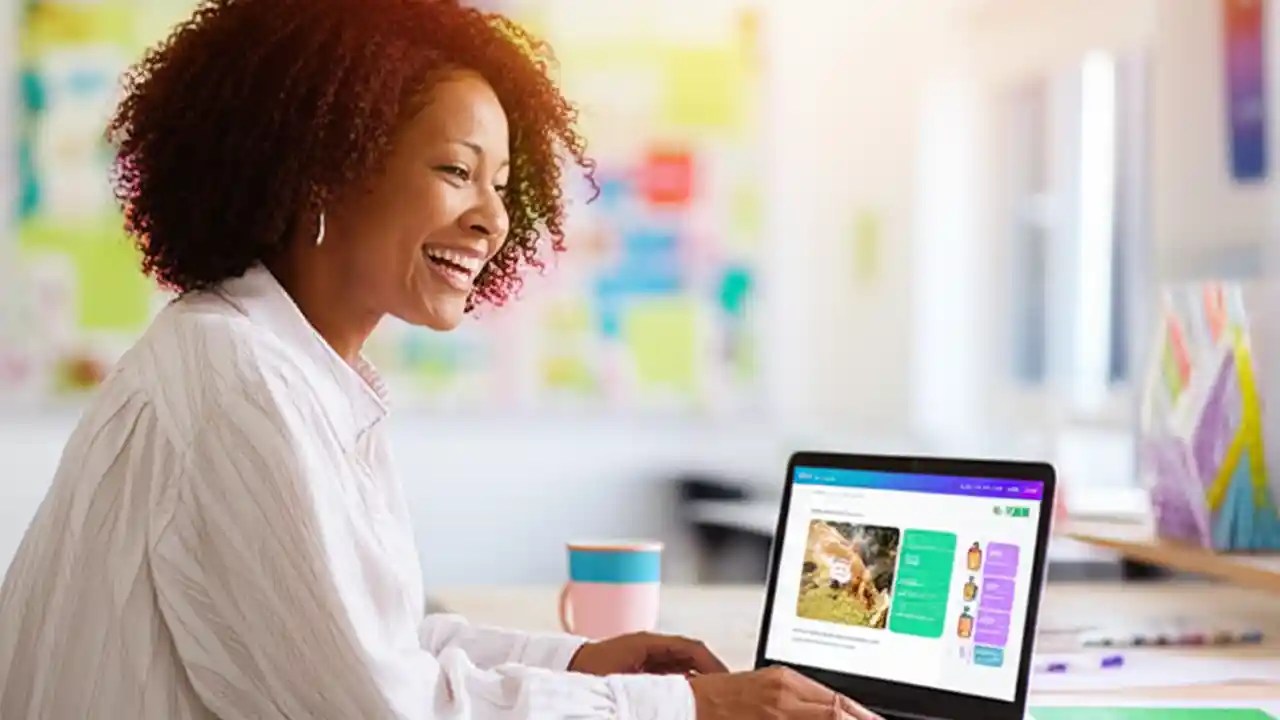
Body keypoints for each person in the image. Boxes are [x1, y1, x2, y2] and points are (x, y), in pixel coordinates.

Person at [0, 1, 881, 718]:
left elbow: (374, 644)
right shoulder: (239, 382)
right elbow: (381, 706)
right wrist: (689, 709)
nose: (493, 221)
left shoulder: (288, 370)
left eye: (501, 185)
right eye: (457, 172)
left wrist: (580, 661)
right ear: (323, 168)